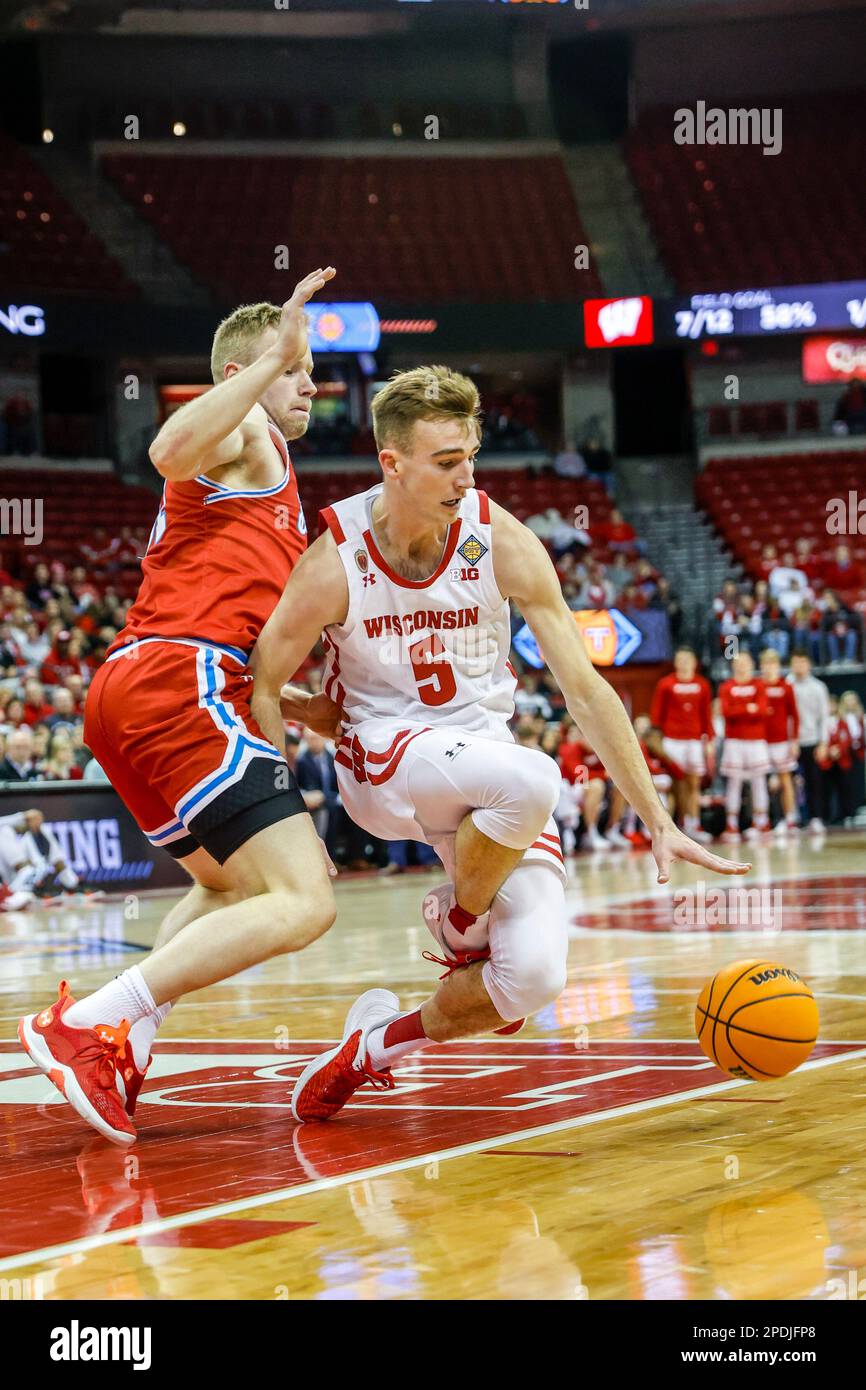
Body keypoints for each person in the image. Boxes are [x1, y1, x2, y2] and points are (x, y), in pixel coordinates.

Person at [251, 365, 750, 1123]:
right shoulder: (335, 556)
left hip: (483, 765)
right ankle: (458, 924)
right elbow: (258, 681)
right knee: (531, 779)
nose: (467, 475)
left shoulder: (500, 539)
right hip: (382, 763)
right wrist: (291, 825)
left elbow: (585, 689)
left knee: (533, 981)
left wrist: (658, 819)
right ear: (394, 463)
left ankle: (369, 1050)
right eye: (447, 461)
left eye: (471, 456)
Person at [18, 267, 343, 1148]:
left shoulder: (264, 469)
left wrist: (302, 704)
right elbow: (165, 451)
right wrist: (261, 364)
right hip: (177, 684)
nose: (311, 381)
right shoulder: (245, 428)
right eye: (295, 366)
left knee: (229, 885)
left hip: (145, 684)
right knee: (306, 902)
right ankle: (86, 1025)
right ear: (249, 367)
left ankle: (121, 1046)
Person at [650, 647, 714, 843]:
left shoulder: (702, 685)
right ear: (676, 663)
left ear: (695, 662)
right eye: (681, 659)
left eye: (688, 659)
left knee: (693, 783)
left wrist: (708, 740)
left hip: (694, 741)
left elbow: (707, 716)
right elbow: (656, 717)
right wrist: (658, 743)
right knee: (673, 784)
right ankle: (672, 826)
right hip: (672, 741)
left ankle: (693, 824)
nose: (685, 663)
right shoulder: (666, 684)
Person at [719, 650, 770, 843]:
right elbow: (726, 711)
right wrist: (748, 708)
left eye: (745, 663)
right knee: (734, 782)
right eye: (738, 663)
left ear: (752, 665)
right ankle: (731, 824)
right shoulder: (727, 686)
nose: (741, 666)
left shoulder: (759, 685)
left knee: (759, 782)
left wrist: (740, 709)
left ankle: (761, 822)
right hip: (734, 741)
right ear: (733, 666)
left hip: (756, 740)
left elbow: (763, 710)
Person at [787, 650, 831, 834]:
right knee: (788, 782)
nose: (799, 666)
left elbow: (824, 717)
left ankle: (815, 818)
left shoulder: (818, 687)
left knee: (814, 782)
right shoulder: (786, 685)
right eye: (795, 662)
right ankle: (790, 819)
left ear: (809, 665)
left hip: (812, 740)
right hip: (790, 742)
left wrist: (823, 743)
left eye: (802, 662)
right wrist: (789, 740)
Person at [758, 648, 800, 836]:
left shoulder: (786, 687)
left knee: (785, 780)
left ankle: (790, 819)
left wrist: (794, 740)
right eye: (766, 664)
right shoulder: (758, 686)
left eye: (772, 664)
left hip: (782, 741)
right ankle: (764, 820)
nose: (769, 668)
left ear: (778, 666)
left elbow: (794, 716)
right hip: (760, 741)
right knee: (761, 782)